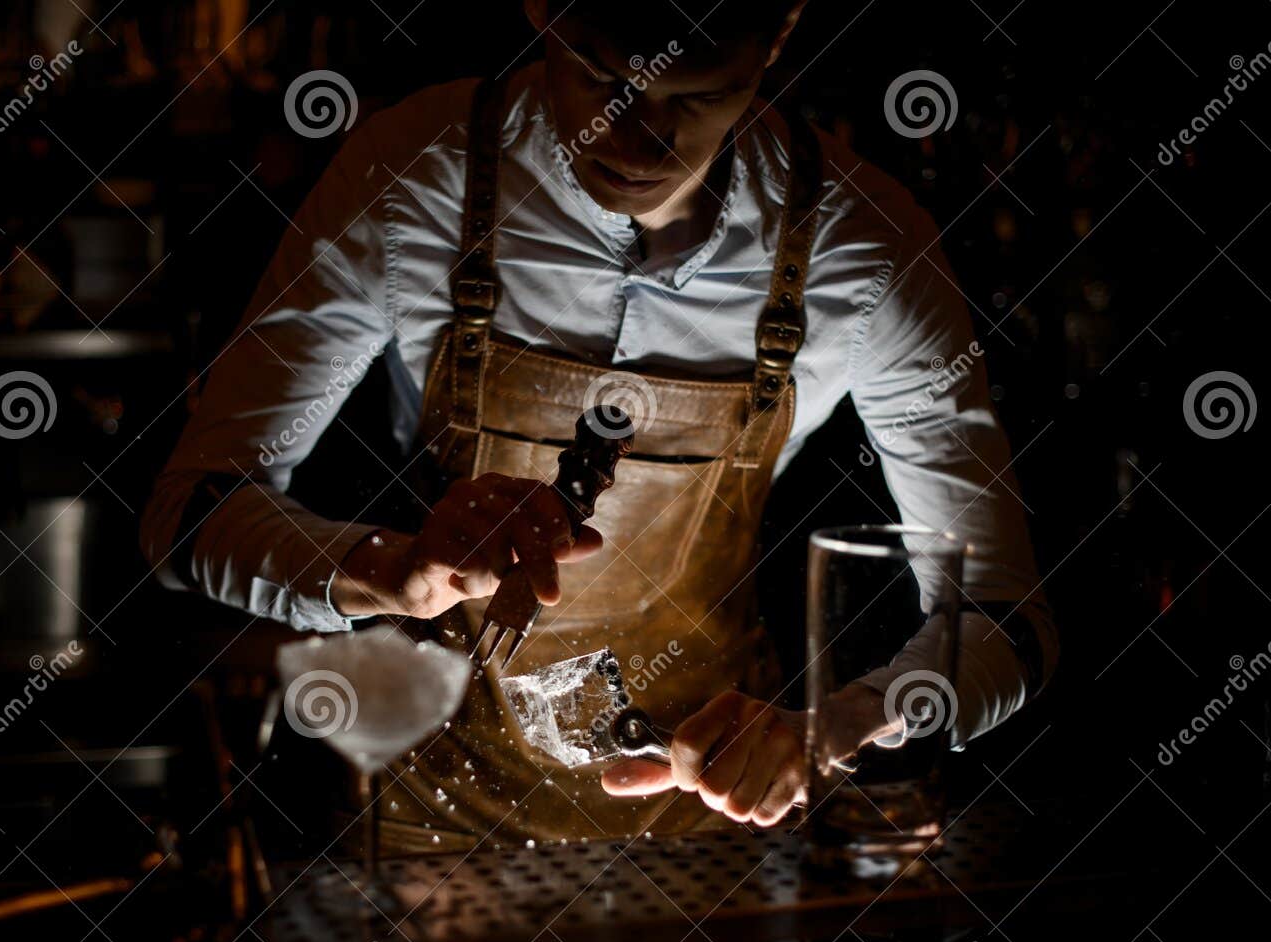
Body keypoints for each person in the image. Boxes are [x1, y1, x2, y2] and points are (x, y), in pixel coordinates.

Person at [140, 0, 1056, 853]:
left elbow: (1009, 624)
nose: (637, 139)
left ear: (778, 37)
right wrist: (394, 571)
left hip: (707, 855)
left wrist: (831, 731)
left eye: (698, 96)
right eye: (598, 77)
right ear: (541, 7)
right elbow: (188, 517)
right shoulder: (416, 170)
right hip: (423, 842)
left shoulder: (864, 243)